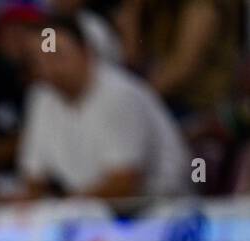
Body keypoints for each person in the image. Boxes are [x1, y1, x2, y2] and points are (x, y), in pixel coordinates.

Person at [18, 15, 191, 200]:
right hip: (90, 212)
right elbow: (34, 178)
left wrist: (65, 206)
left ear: (85, 52)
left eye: (57, 56)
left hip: (161, 211)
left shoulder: (119, 93)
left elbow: (124, 184)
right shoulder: (41, 97)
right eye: (40, 59)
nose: (49, 67)